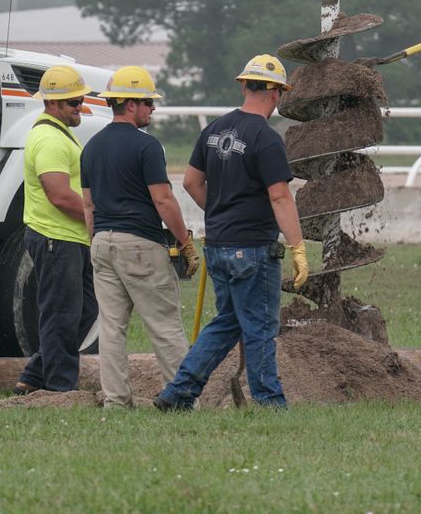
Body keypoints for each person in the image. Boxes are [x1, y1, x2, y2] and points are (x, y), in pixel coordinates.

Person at [154, 54, 309, 410]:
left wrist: (220, 212)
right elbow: (279, 196)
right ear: (276, 93)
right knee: (259, 327)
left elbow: (191, 182)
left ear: (244, 86)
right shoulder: (266, 138)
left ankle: (178, 393)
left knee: (227, 323)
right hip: (253, 249)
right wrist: (298, 247)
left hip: (218, 246)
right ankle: (269, 402)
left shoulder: (213, 130)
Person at [81, 66, 199, 408]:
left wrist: (96, 242)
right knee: (164, 325)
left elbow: (88, 206)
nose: (153, 108)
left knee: (111, 328)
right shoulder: (147, 146)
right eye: (148, 102)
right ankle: (180, 399)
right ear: (130, 104)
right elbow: (163, 200)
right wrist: (185, 242)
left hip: (102, 243)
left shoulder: (91, 147)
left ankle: (116, 402)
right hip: (140, 245)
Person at [15, 65, 99, 394]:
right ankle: (59, 389)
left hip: (68, 238)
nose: (81, 107)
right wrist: (98, 218)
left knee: (83, 311)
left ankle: (35, 375)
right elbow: (60, 195)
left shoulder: (59, 132)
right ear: (52, 103)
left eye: (80, 100)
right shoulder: (50, 139)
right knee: (62, 315)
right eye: (74, 102)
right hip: (56, 238)